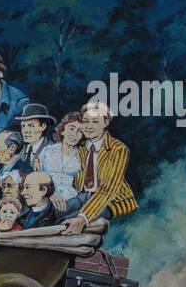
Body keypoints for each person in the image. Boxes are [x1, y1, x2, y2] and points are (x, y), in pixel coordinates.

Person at [57, 100, 138, 235]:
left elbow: (108, 189)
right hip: (83, 195)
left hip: (112, 200)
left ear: (105, 122)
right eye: (86, 121)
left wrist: (83, 218)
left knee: (68, 222)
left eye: (95, 122)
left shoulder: (118, 149)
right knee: (54, 211)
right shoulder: (80, 147)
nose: (89, 126)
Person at [38, 114, 84, 201]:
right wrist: (50, 195)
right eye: (71, 128)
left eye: (80, 131)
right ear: (62, 130)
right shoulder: (48, 150)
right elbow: (37, 176)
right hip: (46, 195)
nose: (75, 134)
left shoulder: (81, 155)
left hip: (70, 198)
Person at [15, 103, 57, 169]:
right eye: (23, 126)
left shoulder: (52, 150)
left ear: (43, 126)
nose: (25, 131)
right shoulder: (19, 149)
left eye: (31, 126)